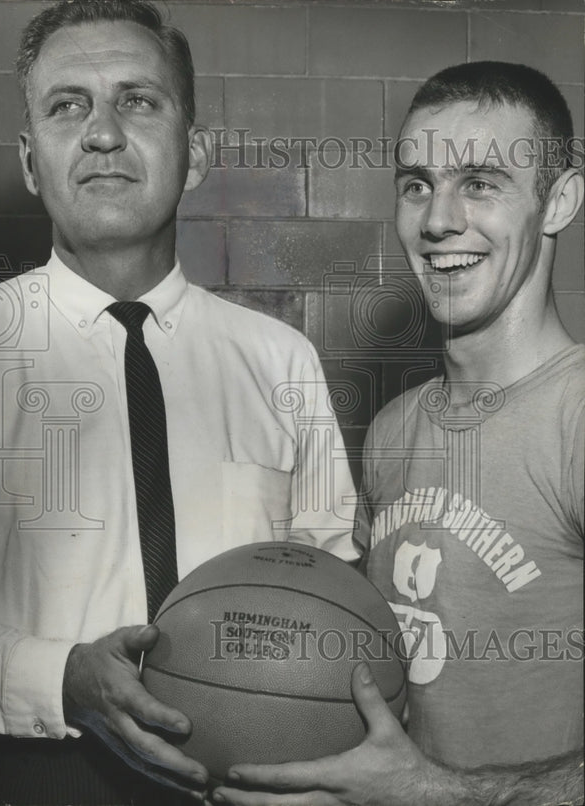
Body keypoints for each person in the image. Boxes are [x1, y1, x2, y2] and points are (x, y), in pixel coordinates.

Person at [0, 1, 357, 804]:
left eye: (139, 100)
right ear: (28, 159)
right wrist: (58, 678)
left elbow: (336, 589)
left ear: (195, 154)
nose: (104, 133)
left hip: (254, 780)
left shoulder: (280, 360)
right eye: (67, 105)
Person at [213, 62, 585, 806]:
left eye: (480, 181)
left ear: (560, 199)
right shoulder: (391, 430)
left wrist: (433, 792)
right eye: (417, 183)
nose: (438, 219)